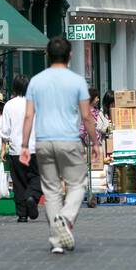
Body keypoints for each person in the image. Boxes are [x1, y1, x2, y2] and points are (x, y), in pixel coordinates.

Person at [21, 38, 96, 254]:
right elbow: (86, 116)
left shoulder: (36, 81)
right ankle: (65, 218)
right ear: (70, 55)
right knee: (77, 184)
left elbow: (28, 115)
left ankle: (56, 239)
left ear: (47, 55)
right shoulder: (77, 81)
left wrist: (25, 144)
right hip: (69, 140)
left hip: (43, 141)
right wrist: (95, 142)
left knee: (51, 189)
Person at [0, 74, 40, 222]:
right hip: (34, 147)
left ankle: (22, 214)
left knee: (18, 181)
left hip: (16, 149)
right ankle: (32, 196)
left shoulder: (9, 105)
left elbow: (5, 130)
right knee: (38, 177)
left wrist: (3, 149)